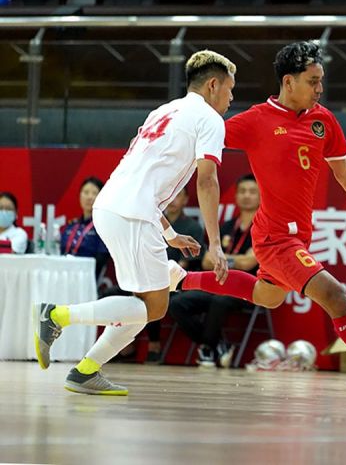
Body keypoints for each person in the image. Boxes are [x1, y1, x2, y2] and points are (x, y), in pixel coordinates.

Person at [176, 41, 346, 398]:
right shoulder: (254, 120)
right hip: (275, 237)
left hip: (299, 236)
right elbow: (202, 135)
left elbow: (343, 171)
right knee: (336, 296)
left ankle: (181, 279)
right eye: (313, 81)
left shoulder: (323, 119)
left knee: (267, 296)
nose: (320, 88)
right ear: (288, 82)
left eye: (321, 80)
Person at [34, 49, 234, 395]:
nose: (232, 98)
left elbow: (143, 178)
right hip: (133, 215)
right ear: (213, 85)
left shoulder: (163, 111)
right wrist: (215, 244)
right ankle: (57, 316)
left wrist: (169, 234)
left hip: (112, 207)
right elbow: (207, 181)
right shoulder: (210, 119)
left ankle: (85, 371)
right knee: (154, 307)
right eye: (230, 89)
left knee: (141, 307)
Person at [169, 173, 260, 368]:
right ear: (236, 195)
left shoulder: (263, 227)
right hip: (218, 284)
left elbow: (249, 263)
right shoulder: (227, 226)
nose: (246, 195)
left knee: (220, 300)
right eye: (242, 191)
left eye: (252, 191)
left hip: (248, 288)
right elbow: (206, 262)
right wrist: (235, 260)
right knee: (177, 303)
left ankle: (209, 349)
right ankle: (216, 345)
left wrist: (222, 260)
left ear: (262, 195)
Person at [144, 186, 206, 362]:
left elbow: (186, 261)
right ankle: (126, 348)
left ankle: (155, 345)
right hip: (150, 276)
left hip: (177, 279)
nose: (172, 200)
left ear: (185, 200)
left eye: (178, 195)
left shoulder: (192, 227)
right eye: (169, 195)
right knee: (131, 292)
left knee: (155, 295)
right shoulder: (152, 224)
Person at [60, 177, 110, 279]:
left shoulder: (103, 227)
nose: (89, 197)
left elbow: (101, 259)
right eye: (86, 192)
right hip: (63, 275)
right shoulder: (71, 225)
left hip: (86, 278)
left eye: (94, 193)